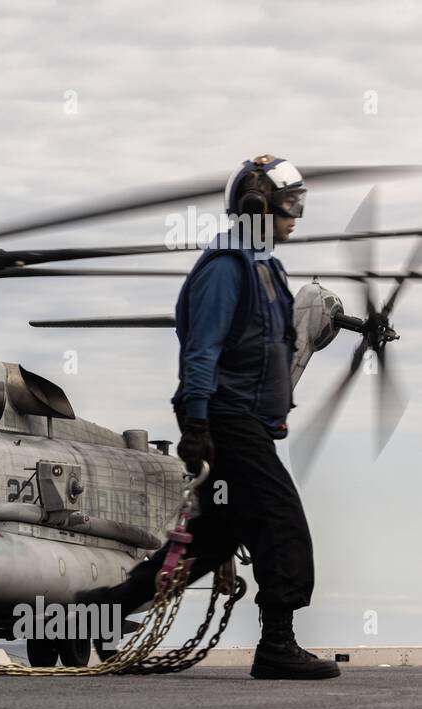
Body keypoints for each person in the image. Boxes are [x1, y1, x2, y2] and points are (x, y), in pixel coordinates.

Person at [81, 156, 339, 679]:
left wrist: (272, 415)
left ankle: (83, 617)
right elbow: (203, 348)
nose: (297, 217)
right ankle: (277, 647)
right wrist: (198, 423)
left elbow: (269, 348)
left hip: (245, 420)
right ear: (257, 206)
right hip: (224, 416)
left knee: (207, 544)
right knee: (281, 522)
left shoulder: (266, 265)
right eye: (290, 206)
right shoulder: (226, 267)